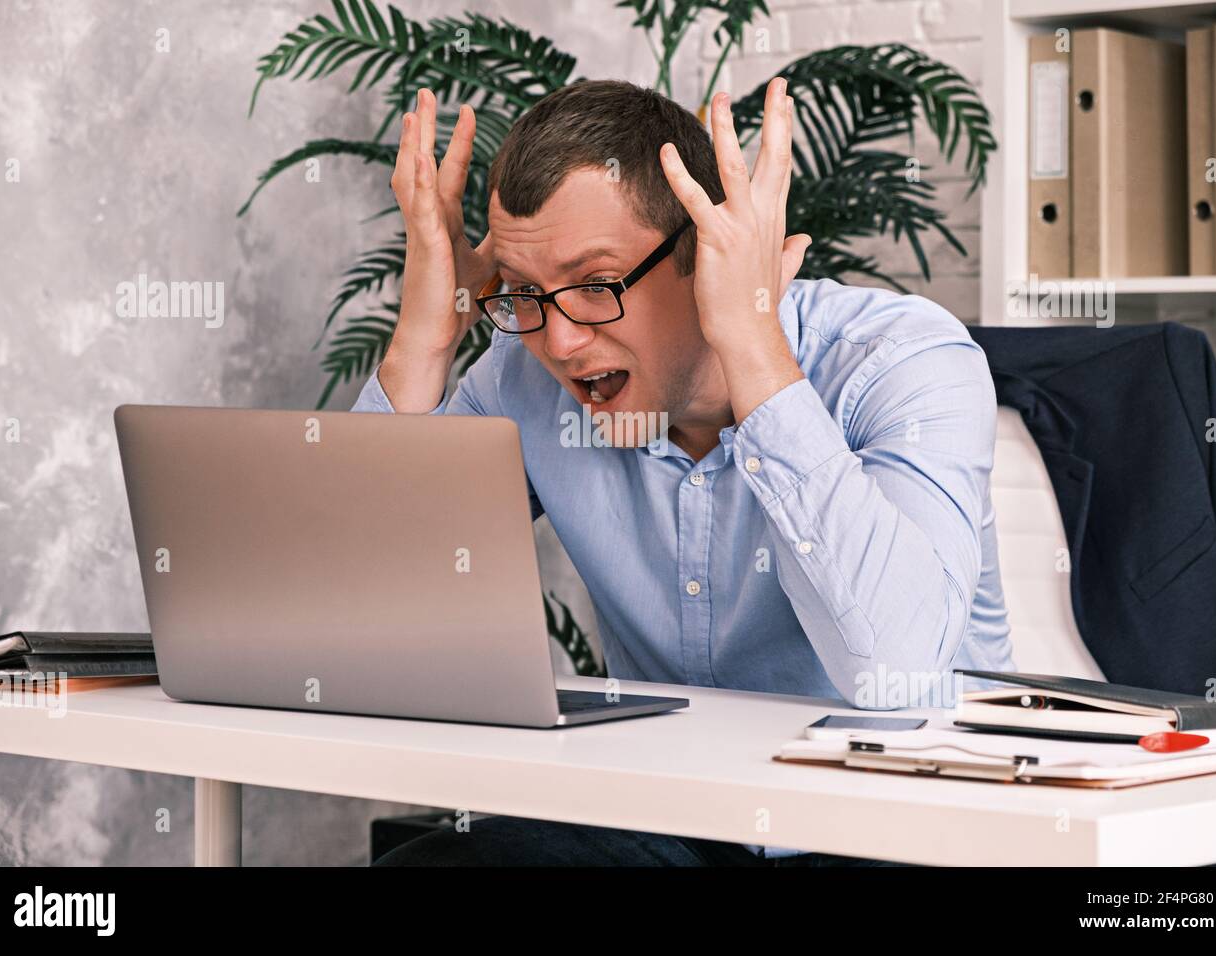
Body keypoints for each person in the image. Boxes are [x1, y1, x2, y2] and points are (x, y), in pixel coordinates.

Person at [356, 77, 1014, 865]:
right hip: (677, 822)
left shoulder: (903, 362)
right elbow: (360, 614)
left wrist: (753, 346)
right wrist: (424, 337)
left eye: (597, 286)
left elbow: (897, 672)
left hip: (905, 821)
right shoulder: (521, 381)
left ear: (701, 253)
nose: (560, 344)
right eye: (527, 295)